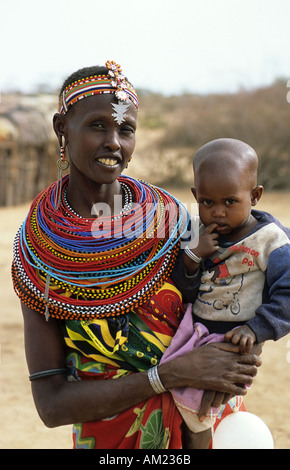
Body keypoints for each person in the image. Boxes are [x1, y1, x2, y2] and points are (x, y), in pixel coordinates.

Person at [11, 63, 261, 450]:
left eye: (125, 130)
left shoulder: (173, 221)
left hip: (209, 429)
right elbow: (51, 405)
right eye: (97, 126)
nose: (114, 142)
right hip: (115, 443)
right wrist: (168, 375)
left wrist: (243, 353)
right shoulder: (40, 257)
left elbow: (235, 300)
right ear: (62, 127)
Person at [162, 137, 290, 448]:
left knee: (200, 414)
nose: (218, 212)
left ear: (255, 195)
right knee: (173, 402)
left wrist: (256, 330)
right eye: (208, 202)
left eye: (230, 202)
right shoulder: (195, 233)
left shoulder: (271, 240)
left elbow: (287, 293)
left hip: (234, 341)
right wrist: (193, 256)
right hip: (193, 335)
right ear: (196, 196)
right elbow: (182, 289)